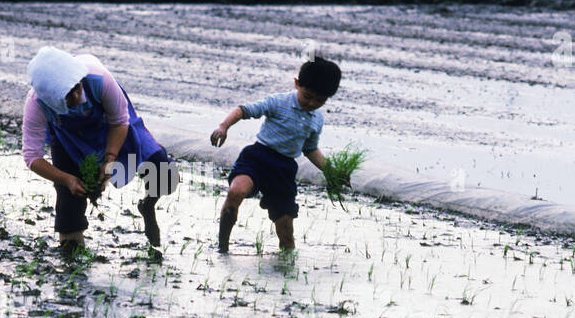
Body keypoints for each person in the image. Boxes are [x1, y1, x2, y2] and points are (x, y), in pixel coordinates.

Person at [22, 47, 178, 256]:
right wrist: (68, 179)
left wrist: (110, 159)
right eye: (68, 96)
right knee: (69, 204)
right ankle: (73, 269)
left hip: (112, 126)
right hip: (68, 139)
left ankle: (148, 205)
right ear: (52, 98)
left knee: (163, 172)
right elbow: (32, 157)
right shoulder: (36, 104)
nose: (77, 96)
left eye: (77, 88)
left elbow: (120, 121)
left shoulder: (99, 79)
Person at [210, 56, 342, 253]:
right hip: (257, 158)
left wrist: (332, 171)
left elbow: (310, 149)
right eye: (307, 96)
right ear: (297, 84)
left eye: (320, 100)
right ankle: (222, 248)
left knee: (286, 229)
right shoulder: (278, 102)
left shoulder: (317, 119)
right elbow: (244, 110)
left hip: (284, 170)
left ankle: (286, 261)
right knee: (235, 192)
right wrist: (223, 127)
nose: (312, 103)